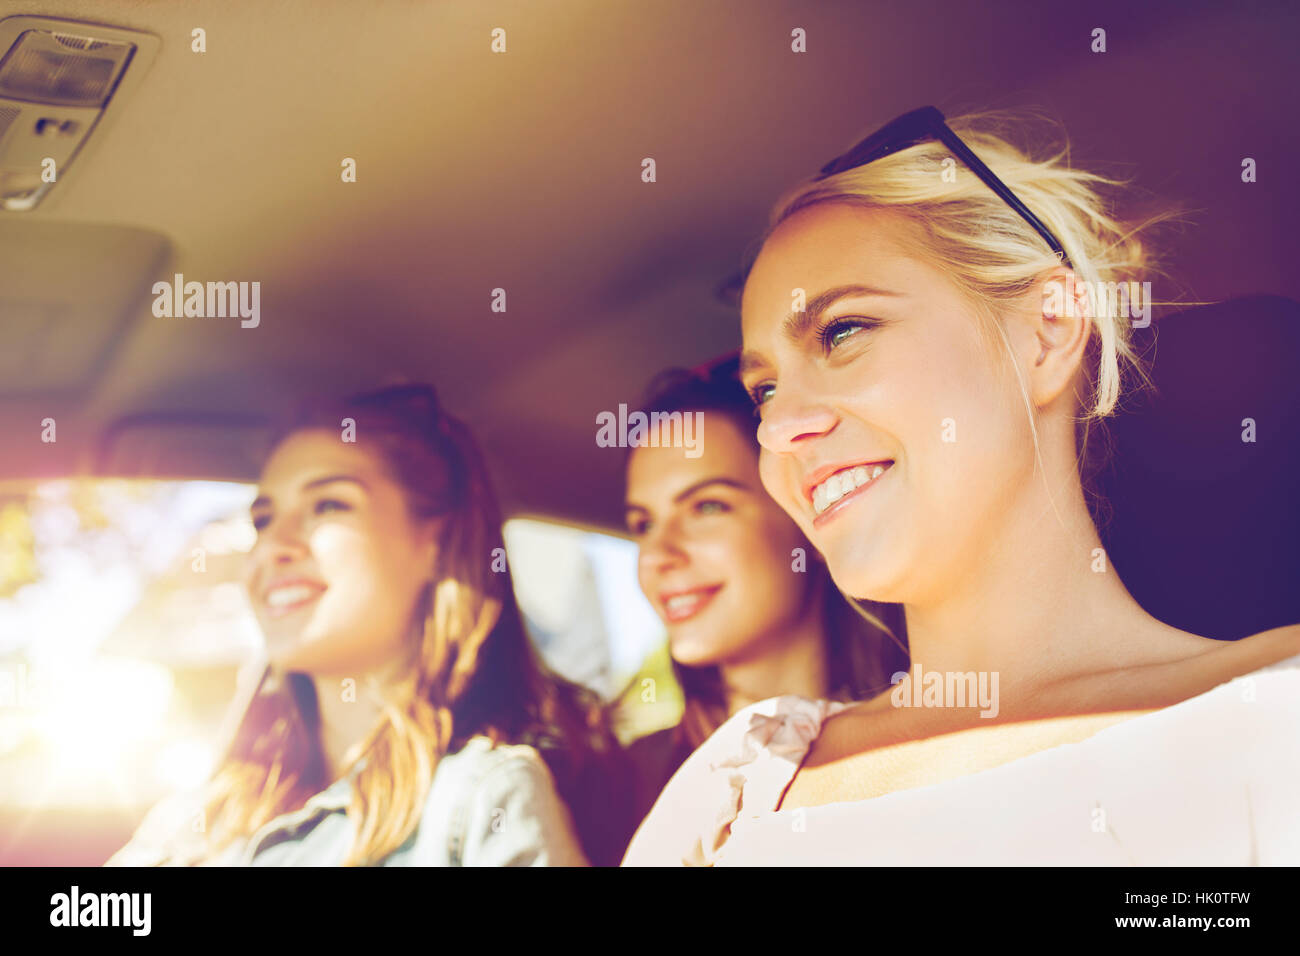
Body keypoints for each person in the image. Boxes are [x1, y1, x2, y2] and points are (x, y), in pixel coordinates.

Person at [623, 107, 1300, 865]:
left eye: (843, 331)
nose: (779, 430)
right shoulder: (737, 785)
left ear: (1046, 330)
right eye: (766, 391)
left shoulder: (1274, 716)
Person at [109, 384, 624, 866]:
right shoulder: (199, 816)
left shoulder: (483, 796)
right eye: (263, 519)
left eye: (328, 505)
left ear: (438, 548)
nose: (273, 545)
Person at [619, 362, 906, 837]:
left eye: (707, 506)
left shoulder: (925, 745)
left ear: (804, 509)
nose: (658, 555)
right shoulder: (616, 785)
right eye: (643, 525)